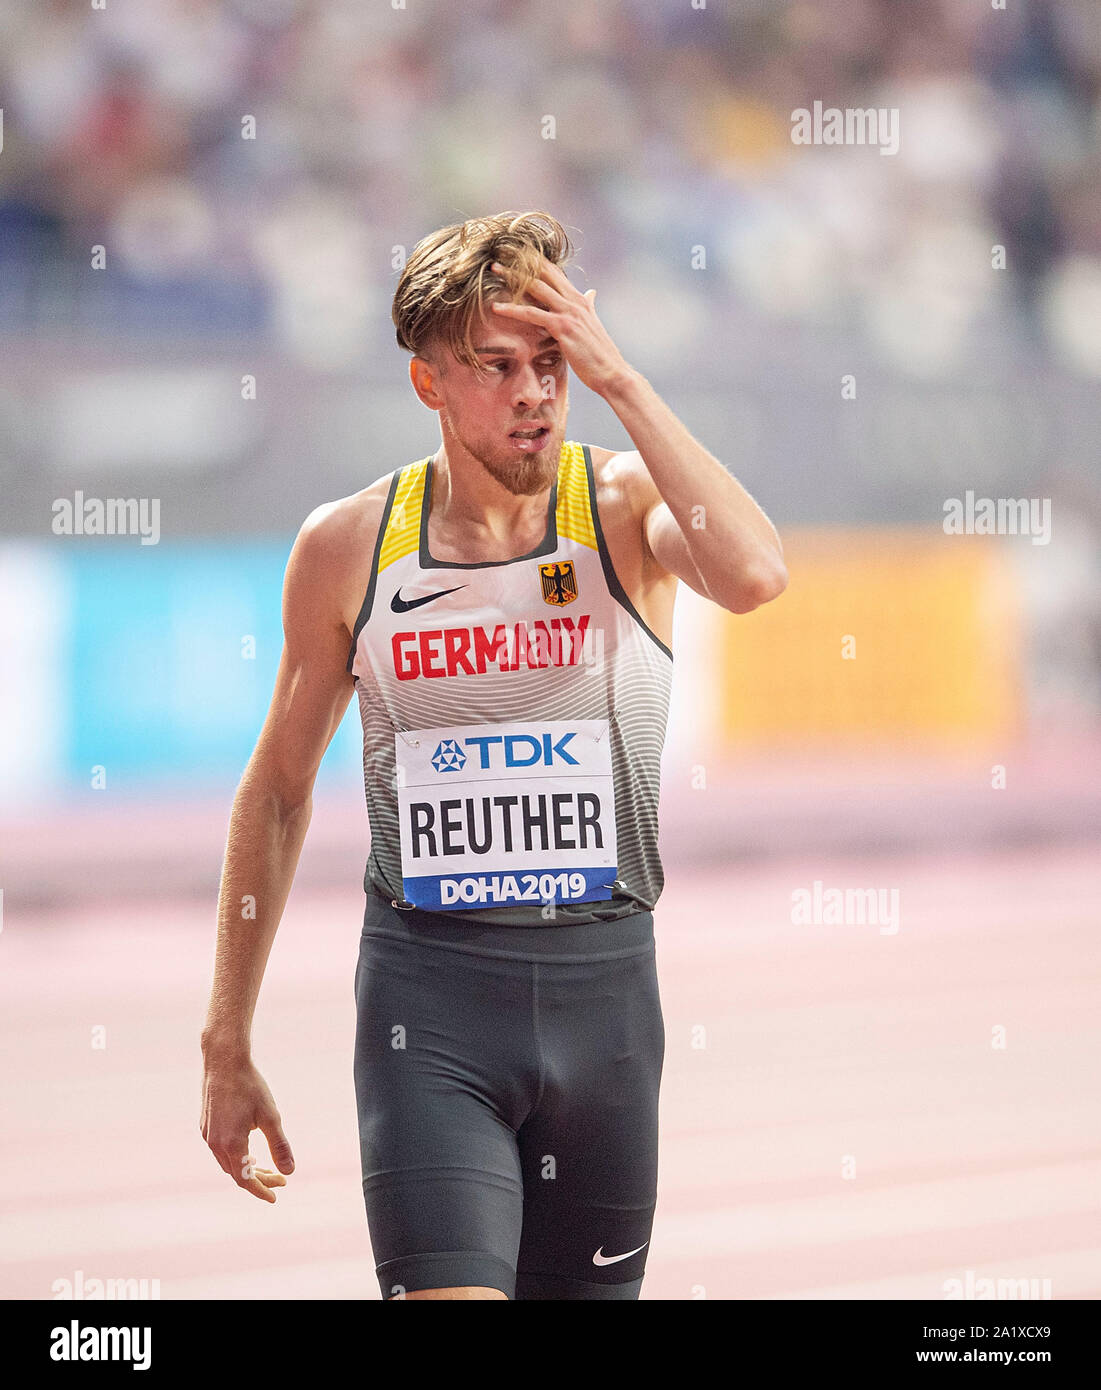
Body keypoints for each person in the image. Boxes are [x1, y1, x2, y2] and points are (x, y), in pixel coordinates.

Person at [200, 210, 787, 1300]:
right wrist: (224, 1037)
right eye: (499, 366)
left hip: (604, 1005)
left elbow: (755, 576)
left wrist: (627, 385)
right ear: (430, 382)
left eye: (554, 361)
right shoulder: (350, 546)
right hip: (431, 1005)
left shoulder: (620, 509)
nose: (535, 392)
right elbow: (277, 794)